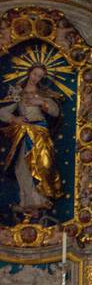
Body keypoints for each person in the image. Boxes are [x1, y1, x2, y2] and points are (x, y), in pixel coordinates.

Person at [0, 62, 64, 211]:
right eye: (35, 74)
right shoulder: (18, 93)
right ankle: (28, 200)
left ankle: (43, 195)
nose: (36, 78)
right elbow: (3, 111)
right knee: (22, 166)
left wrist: (41, 102)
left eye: (40, 76)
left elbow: (55, 112)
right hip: (24, 132)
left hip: (40, 131)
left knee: (44, 164)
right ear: (29, 73)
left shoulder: (43, 93)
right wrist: (15, 119)